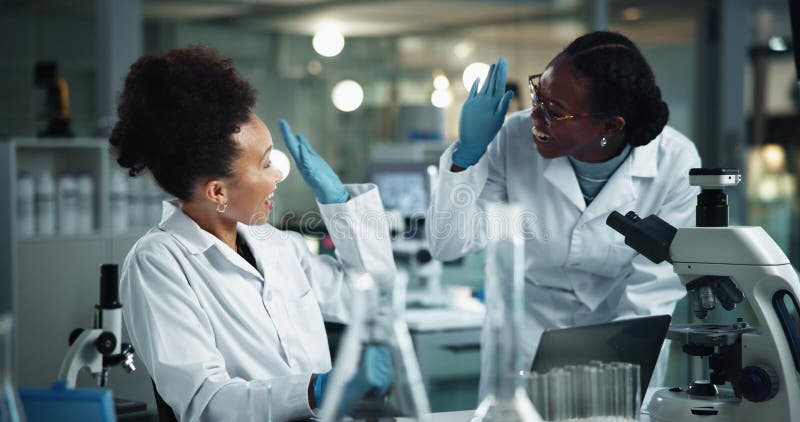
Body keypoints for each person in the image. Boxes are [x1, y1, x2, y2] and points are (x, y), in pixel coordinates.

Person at [111, 46, 395, 421]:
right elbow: (207, 403)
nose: (278, 175)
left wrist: (341, 202)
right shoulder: (159, 263)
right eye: (265, 164)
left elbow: (374, 296)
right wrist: (315, 390)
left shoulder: (276, 245)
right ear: (218, 192)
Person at [427, 31, 701, 396]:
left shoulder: (676, 162)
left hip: (624, 337)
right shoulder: (513, 139)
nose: (535, 117)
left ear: (610, 126)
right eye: (539, 95)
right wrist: (465, 158)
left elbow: (651, 291)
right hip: (524, 333)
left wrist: (611, 375)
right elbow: (448, 245)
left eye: (554, 111)